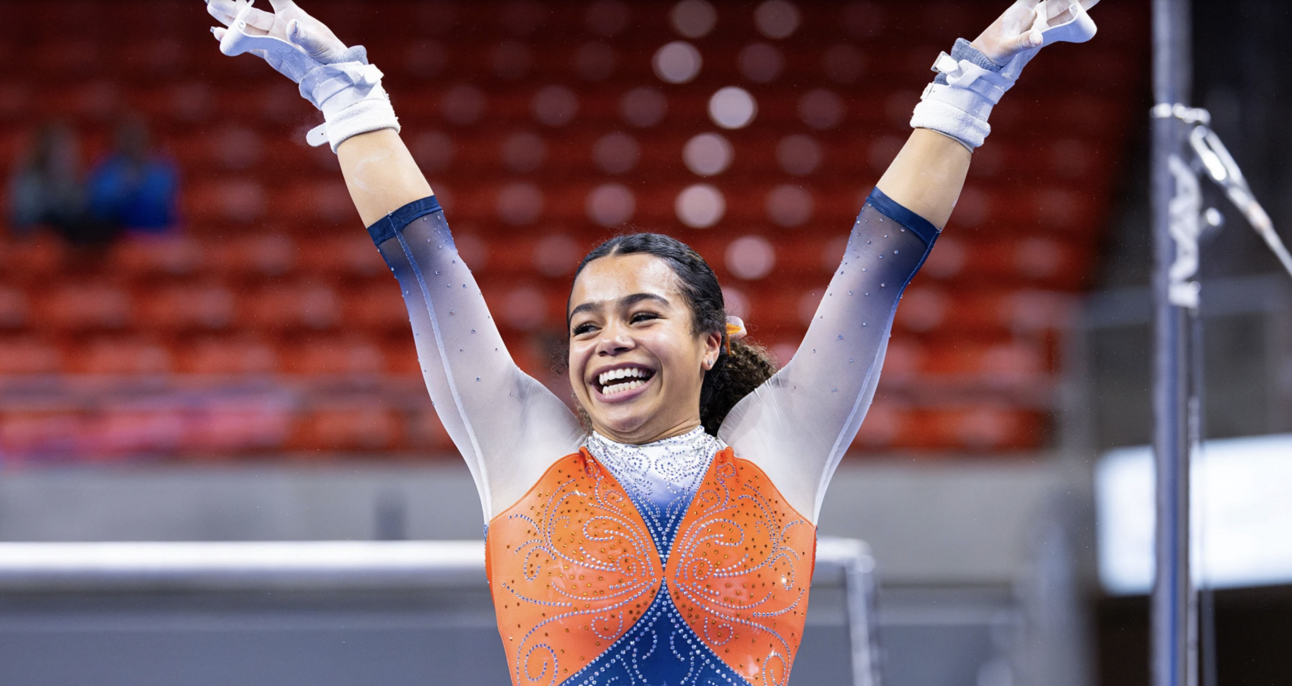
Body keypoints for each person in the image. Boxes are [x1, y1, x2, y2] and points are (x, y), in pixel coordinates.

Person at [203, 1, 1099, 684]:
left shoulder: (778, 445)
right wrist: (346, 93)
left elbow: (881, 260)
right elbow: (424, 263)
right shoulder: (521, 448)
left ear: (711, 342)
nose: (607, 343)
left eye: (641, 315)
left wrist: (972, 83)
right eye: (585, 326)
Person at [84, 114, 180, 235]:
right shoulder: (104, 169)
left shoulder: (162, 168)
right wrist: (124, 186)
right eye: (127, 136)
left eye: (137, 134)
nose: (133, 141)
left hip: (158, 238)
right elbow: (98, 204)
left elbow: (166, 204)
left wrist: (135, 185)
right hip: (116, 239)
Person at [6, 120, 85, 240]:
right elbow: (23, 219)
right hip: (32, 240)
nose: (66, 154)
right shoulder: (28, 180)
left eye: (67, 149)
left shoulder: (71, 181)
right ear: (45, 150)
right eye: (59, 149)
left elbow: (78, 211)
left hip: (65, 243)